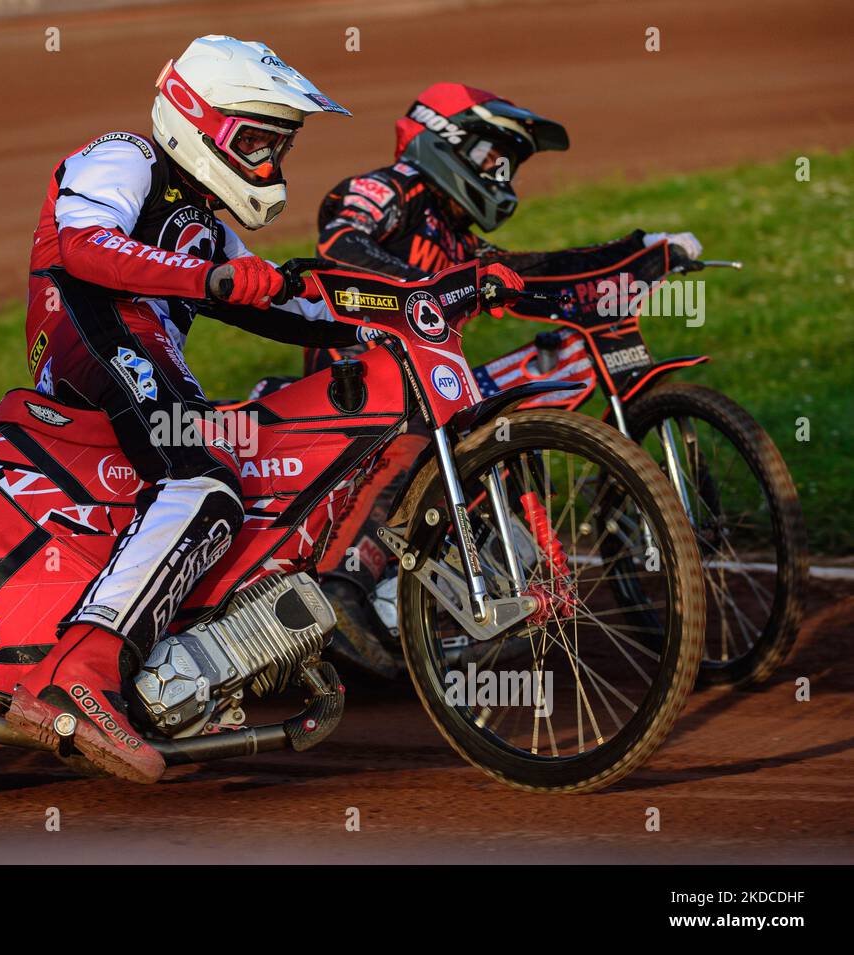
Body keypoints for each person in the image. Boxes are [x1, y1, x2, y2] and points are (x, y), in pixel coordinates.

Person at [5, 36, 368, 784]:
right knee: (206, 477)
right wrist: (213, 280)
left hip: (137, 355)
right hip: (93, 335)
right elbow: (82, 246)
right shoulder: (126, 155)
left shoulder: (204, 221)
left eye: (278, 147)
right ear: (197, 123)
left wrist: (397, 315)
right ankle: (81, 669)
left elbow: (287, 301)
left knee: (254, 460)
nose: (270, 167)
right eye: (257, 143)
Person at [297, 83, 702, 679]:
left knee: (492, 432)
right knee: (412, 440)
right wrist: (423, 286)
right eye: (494, 159)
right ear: (446, 143)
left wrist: (633, 253)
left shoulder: (457, 235)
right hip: (354, 382)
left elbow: (531, 276)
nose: (502, 175)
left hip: (422, 387)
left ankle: (439, 590)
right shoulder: (385, 189)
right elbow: (341, 241)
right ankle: (341, 587)